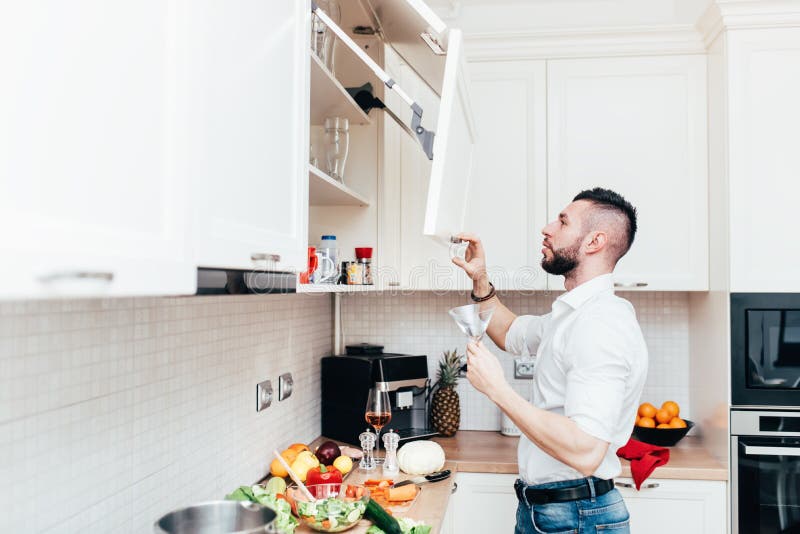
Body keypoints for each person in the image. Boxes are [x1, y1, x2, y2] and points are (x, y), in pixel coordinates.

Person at [452, 187, 648, 534]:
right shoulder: (573, 314)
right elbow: (510, 332)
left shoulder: (600, 324)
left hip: (577, 516)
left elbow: (586, 450)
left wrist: (498, 389)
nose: (547, 228)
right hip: (554, 512)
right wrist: (480, 279)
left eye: (562, 222)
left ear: (594, 242)